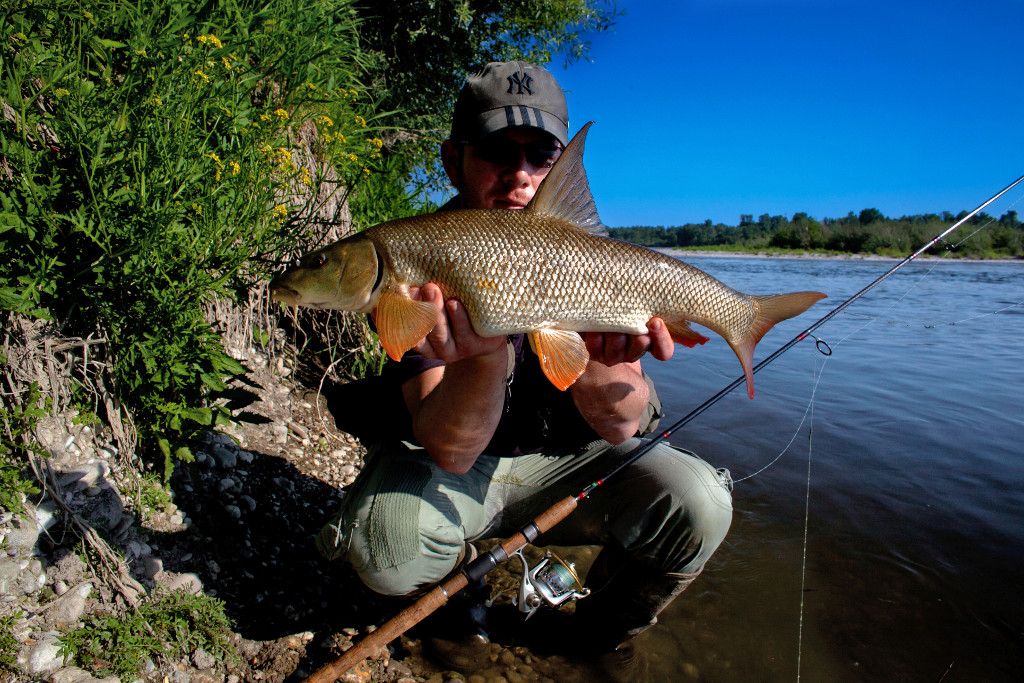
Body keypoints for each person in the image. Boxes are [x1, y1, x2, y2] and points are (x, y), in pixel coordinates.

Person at [317, 61, 733, 673]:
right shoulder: (422, 259)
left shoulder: (592, 261)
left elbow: (621, 426)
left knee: (701, 503)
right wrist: (483, 354)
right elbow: (450, 452)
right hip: (456, 471)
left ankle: (598, 639)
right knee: (389, 550)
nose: (520, 176)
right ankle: (461, 598)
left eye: (542, 157)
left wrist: (598, 355)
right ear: (453, 159)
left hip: (569, 465)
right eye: (496, 152)